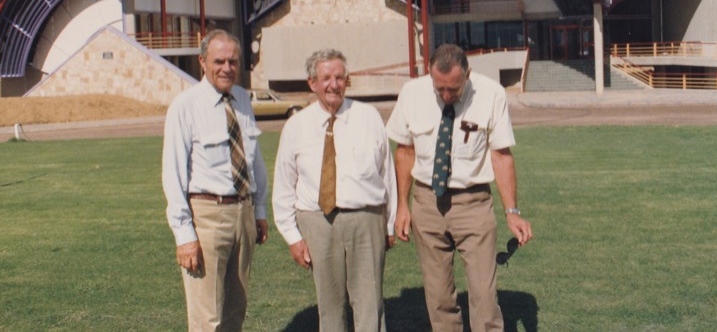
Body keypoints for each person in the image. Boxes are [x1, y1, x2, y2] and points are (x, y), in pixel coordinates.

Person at [385, 43, 533, 331]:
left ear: (468, 74)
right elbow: (404, 151)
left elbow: (501, 155)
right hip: (427, 203)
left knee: (484, 296)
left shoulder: (491, 94)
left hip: (473, 204)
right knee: (438, 296)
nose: (445, 96)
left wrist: (512, 211)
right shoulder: (412, 93)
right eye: (438, 88)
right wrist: (402, 205)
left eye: (453, 89)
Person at [272, 49, 397, 331]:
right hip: (318, 223)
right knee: (329, 308)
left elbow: (386, 174)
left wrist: (389, 225)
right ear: (312, 83)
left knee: (370, 304)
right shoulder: (296, 126)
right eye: (326, 78)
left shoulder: (368, 117)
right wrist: (292, 236)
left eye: (340, 77)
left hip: (366, 220)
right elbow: (284, 186)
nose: (334, 84)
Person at [162, 29, 269, 331]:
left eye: (232, 61)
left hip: (243, 213)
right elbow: (173, 173)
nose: (227, 68)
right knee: (207, 318)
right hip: (207, 217)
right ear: (202, 62)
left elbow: (254, 161)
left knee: (236, 309)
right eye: (219, 61)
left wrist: (259, 211)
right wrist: (184, 235)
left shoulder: (242, 99)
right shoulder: (185, 106)